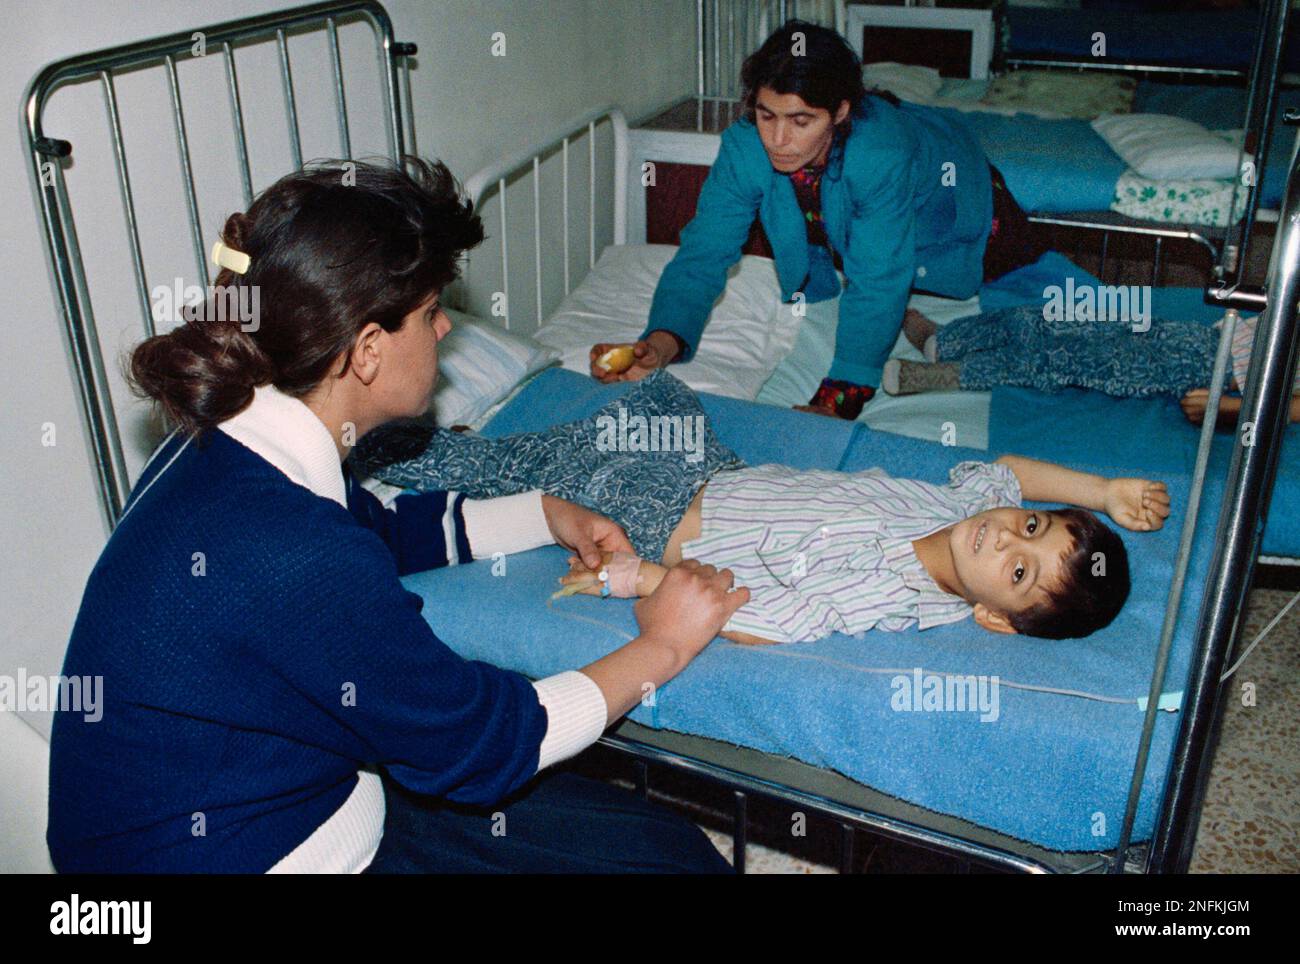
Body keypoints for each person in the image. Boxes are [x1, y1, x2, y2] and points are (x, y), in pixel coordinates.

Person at [46, 159, 746, 874]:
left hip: (298, 797)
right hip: (263, 855)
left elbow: (366, 530)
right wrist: (663, 647)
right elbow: (480, 745)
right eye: (432, 310)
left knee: (661, 846)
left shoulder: (228, 437)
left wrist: (541, 514)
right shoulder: (290, 548)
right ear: (368, 350)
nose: (446, 327)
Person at [356, 371, 1170, 645]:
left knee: (524, 471)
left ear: (994, 617)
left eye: (1018, 570)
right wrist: (1100, 493)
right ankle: (435, 443)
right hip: (712, 467)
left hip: (658, 518)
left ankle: (373, 453)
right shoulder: (964, 510)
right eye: (1031, 525)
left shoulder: (894, 592)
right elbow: (1007, 471)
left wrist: (644, 583)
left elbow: (766, 615)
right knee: (651, 403)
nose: (1006, 536)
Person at [588, 20, 1044, 420]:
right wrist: (663, 341)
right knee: (860, 239)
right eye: (766, 115)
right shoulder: (746, 145)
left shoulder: (879, 154)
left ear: (840, 112)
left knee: (1018, 287)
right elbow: (705, 250)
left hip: (959, 190)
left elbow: (881, 279)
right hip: (867, 175)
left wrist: (839, 396)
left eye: (800, 120)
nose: (779, 139)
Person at [881, 305, 1300, 428]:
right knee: (1049, 318)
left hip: (1210, 375)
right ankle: (944, 341)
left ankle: (945, 375)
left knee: (1067, 358)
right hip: (1202, 335)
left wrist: (1225, 407)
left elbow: (1290, 407)